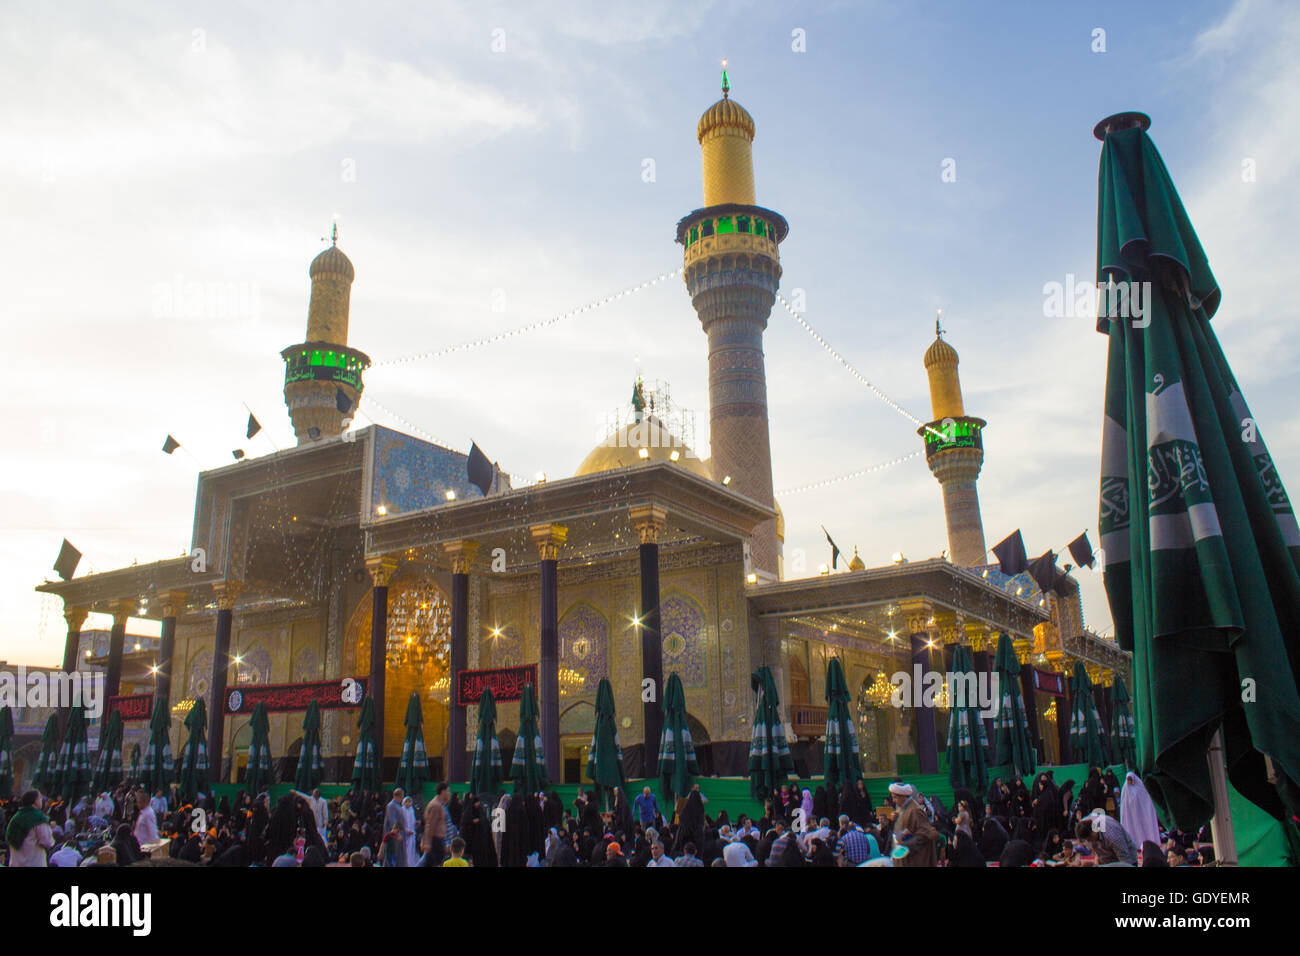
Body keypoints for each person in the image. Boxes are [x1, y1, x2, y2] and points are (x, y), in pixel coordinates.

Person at [889, 782, 937, 867]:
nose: (893, 801)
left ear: (903, 797)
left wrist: (906, 844)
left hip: (913, 860)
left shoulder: (914, 810)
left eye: (895, 797)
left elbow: (926, 833)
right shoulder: (904, 810)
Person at [1119, 772, 1161, 850]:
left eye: (1130, 779)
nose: (1129, 781)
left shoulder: (1140, 787)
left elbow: (1146, 801)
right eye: (1128, 779)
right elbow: (1124, 806)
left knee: (1143, 829)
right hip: (1131, 816)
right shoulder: (1125, 790)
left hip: (1141, 815)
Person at [420, 783, 450, 866]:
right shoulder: (436, 805)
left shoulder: (439, 804)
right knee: (434, 862)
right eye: (448, 791)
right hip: (436, 840)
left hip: (437, 839)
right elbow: (430, 825)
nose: (449, 793)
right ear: (443, 791)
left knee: (428, 862)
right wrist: (427, 843)